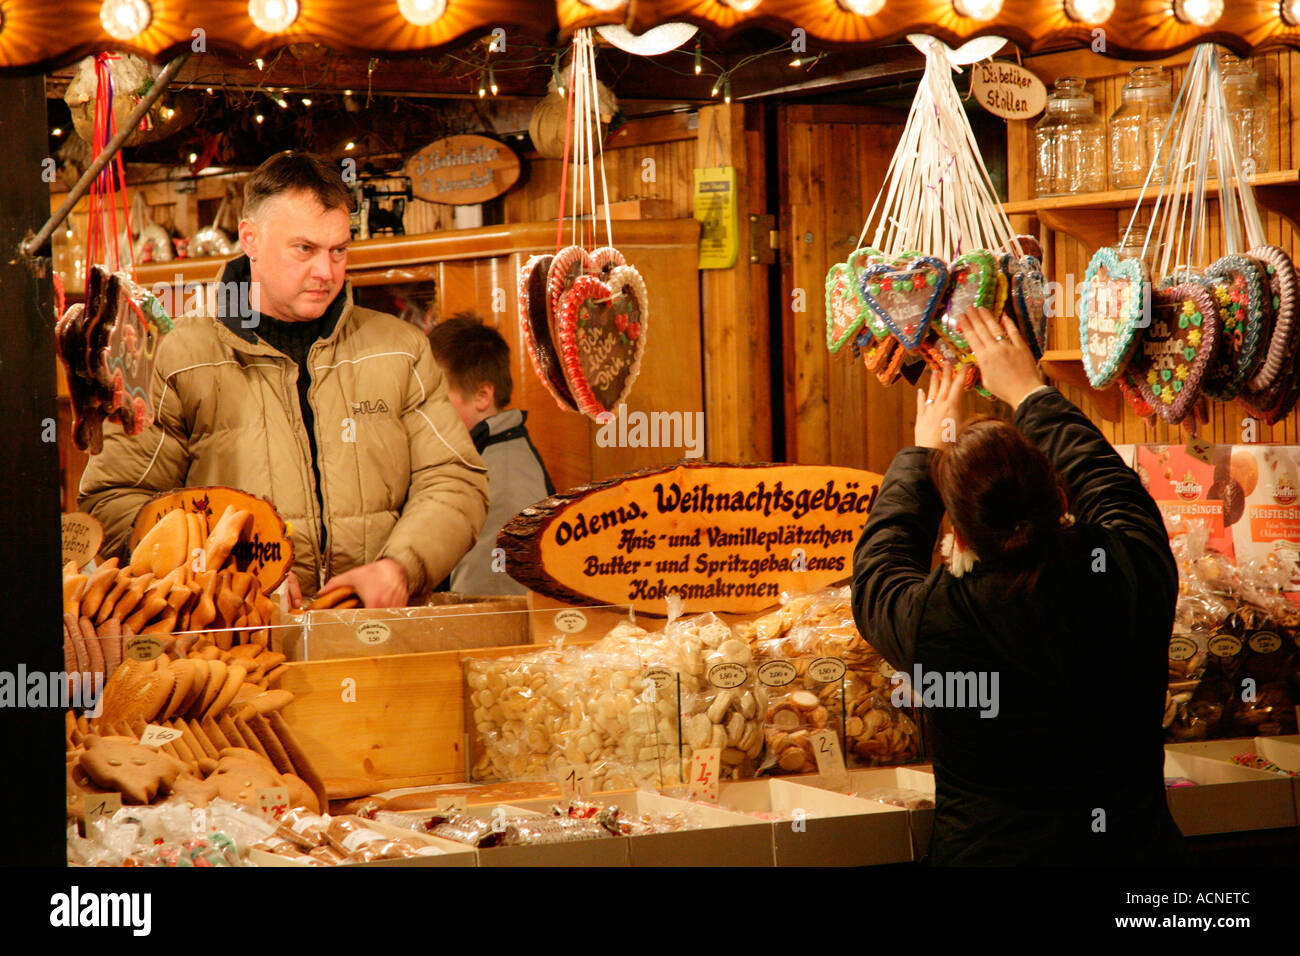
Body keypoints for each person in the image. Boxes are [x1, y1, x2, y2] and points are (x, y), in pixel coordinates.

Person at [852, 305, 1187, 866]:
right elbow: (1111, 487)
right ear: (1060, 500)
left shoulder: (937, 619)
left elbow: (879, 569)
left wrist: (923, 456)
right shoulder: (1127, 571)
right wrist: (1031, 392)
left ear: (956, 534)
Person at [78, 152, 489, 608]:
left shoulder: (400, 348)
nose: (326, 272)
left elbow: (455, 478)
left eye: (339, 250)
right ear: (250, 239)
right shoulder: (175, 357)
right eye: (305, 249)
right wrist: (229, 568)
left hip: (377, 639)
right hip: (236, 647)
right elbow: (111, 502)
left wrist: (402, 566)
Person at [428, 314, 554, 595]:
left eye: (435, 398)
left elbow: (489, 615)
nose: (424, 413)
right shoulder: (486, 456)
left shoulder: (502, 482)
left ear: (483, 395)